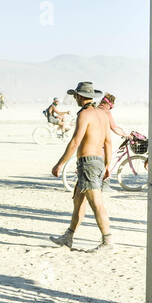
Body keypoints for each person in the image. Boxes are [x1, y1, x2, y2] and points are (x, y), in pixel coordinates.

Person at [49, 82, 114, 250]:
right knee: (78, 202)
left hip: (88, 164)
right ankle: (68, 237)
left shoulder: (84, 114)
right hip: (97, 162)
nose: (75, 98)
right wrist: (107, 165)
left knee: (96, 203)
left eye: (75, 95)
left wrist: (60, 164)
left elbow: (75, 141)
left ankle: (107, 240)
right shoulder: (102, 115)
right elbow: (108, 142)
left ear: (79, 96)